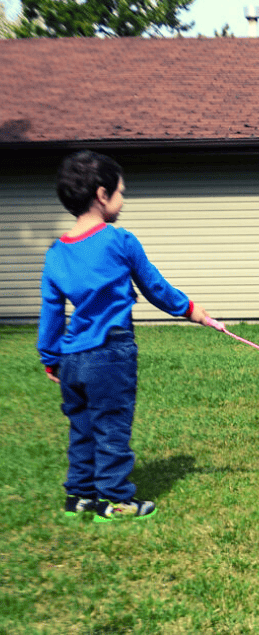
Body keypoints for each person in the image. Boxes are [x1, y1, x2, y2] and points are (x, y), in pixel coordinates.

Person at [37, 150, 215, 522]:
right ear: (102, 195)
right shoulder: (120, 241)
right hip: (110, 355)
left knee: (82, 429)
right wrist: (193, 311)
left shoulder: (55, 254)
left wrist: (50, 358)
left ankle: (79, 497)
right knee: (111, 427)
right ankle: (115, 500)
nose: (123, 200)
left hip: (71, 360)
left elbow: (51, 313)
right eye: (121, 192)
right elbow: (155, 287)